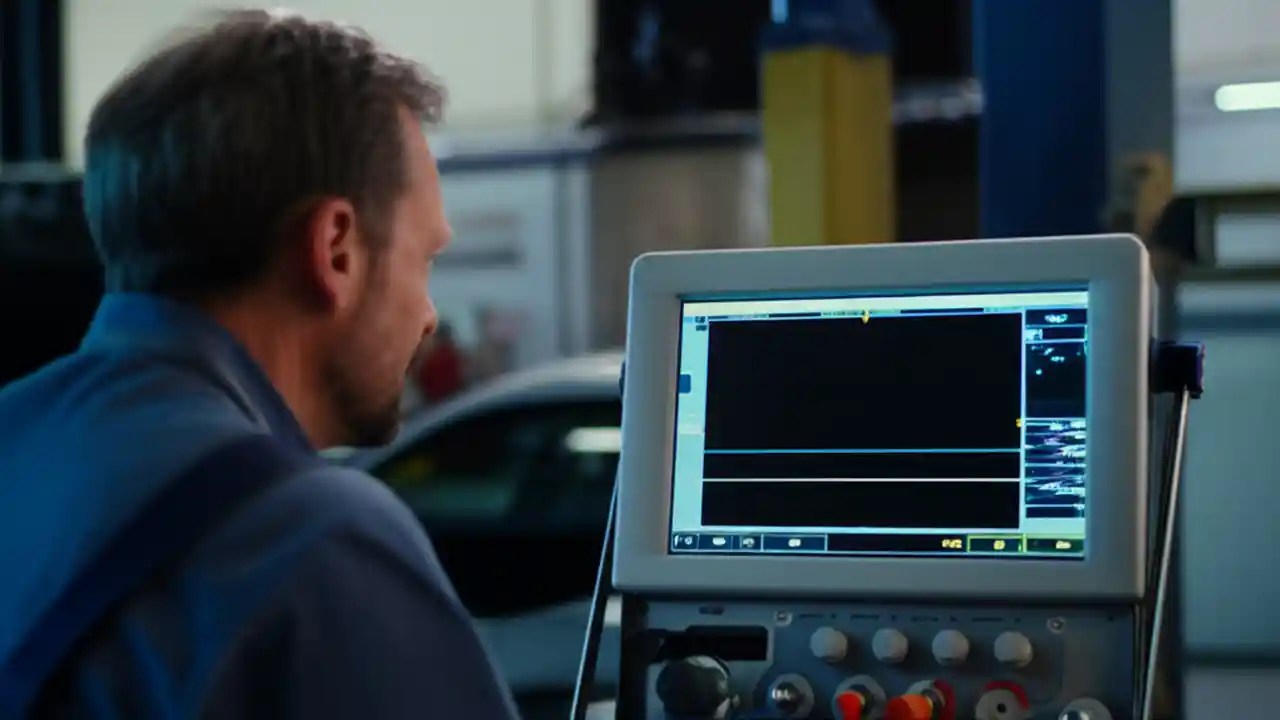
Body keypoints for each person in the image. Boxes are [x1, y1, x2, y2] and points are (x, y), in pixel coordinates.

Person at [0, 9, 519, 719]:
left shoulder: (17, 442)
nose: (429, 315)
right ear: (335, 249)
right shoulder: (316, 538)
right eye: (423, 259)